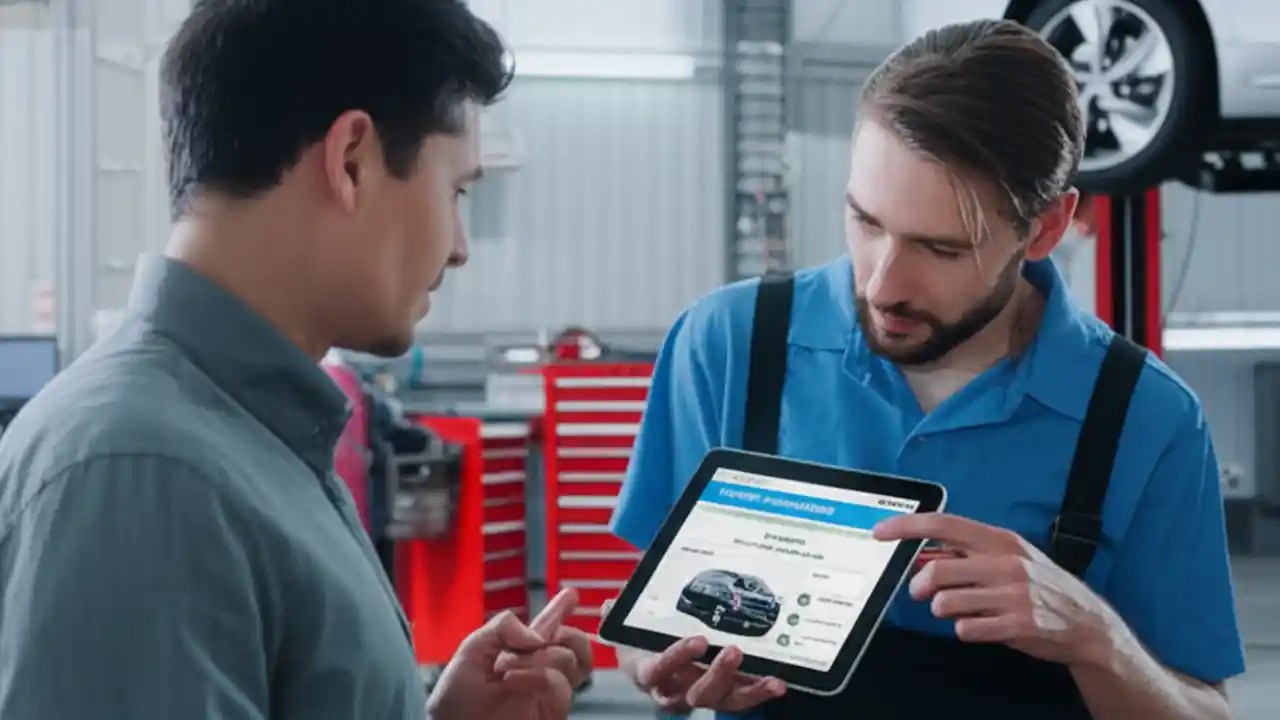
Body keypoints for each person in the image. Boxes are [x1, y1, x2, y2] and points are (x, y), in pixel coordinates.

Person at [609, 19, 1243, 720]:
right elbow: (646, 623)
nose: (883, 284)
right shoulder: (728, 344)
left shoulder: (1145, 418)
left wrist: (1094, 638)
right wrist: (658, 667)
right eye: (865, 221)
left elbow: (1203, 712)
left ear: (1046, 229)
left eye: (940, 249)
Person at [0, 1, 591, 718]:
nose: (459, 246)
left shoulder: (243, 434)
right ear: (351, 161)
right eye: (456, 190)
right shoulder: (146, 469)